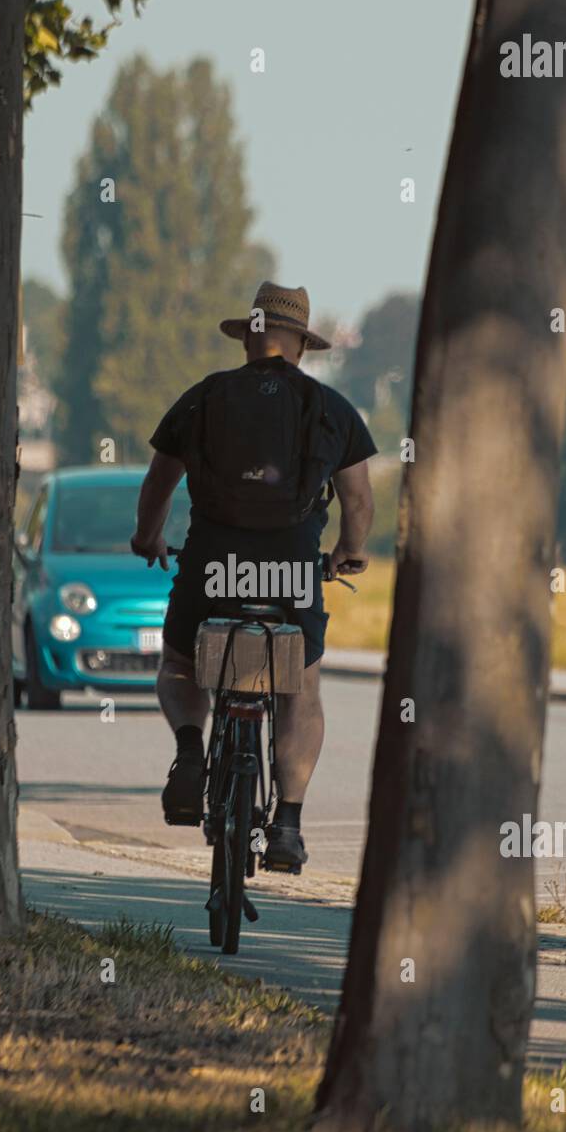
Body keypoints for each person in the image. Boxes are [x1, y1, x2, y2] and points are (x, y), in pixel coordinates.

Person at [131, 282, 376, 872]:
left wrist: (147, 538)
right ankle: (287, 824)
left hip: (213, 565)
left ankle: (191, 754)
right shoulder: (331, 408)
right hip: (291, 569)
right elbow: (359, 501)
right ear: (302, 345)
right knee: (301, 687)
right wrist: (348, 551)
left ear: (248, 336)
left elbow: (159, 483)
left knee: (179, 663)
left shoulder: (202, 398)